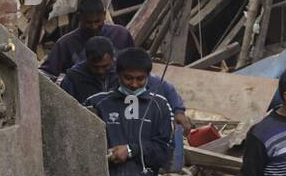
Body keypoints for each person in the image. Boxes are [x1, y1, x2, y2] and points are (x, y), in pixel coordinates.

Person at [84, 48, 175, 176]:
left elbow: (164, 152)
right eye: (128, 78)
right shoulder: (96, 103)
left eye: (140, 78)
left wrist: (131, 150)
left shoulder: (160, 106)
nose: (133, 84)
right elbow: (82, 146)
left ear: (148, 76)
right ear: (118, 74)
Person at [62, 36, 194, 134]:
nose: (101, 72)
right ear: (87, 60)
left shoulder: (125, 70)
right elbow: (64, 107)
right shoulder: (74, 77)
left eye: (105, 66)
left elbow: (164, 87)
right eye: (95, 68)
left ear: (113, 59)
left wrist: (178, 111)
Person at [39, 0, 135, 80]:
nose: (93, 26)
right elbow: (46, 75)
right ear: (79, 17)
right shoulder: (66, 44)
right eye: (88, 22)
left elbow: (135, 65)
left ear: (104, 15)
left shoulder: (121, 35)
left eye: (97, 21)